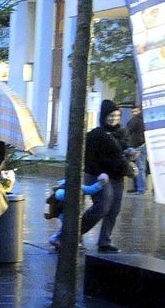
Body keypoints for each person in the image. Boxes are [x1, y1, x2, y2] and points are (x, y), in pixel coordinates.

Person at [80, 99, 133, 253]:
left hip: (117, 175)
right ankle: (73, 234)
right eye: (110, 115)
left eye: (117, 115)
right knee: (102, 206)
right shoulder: (95, 134)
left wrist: (131, 153)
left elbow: (123, 151)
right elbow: (89, 157)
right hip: (98, 176)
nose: (114, 118)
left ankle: (104, 241)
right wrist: (99, 172)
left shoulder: (122, 133)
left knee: (114, 209)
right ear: (103, 116)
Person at [47, 173, 107, 250]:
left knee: (67, 227)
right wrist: (100, 183)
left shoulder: (65, 188)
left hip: (63, 212)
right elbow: (90, 189)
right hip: (66, 212)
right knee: (71, 227)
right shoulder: (75, 188)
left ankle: (60, 240)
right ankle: (58, 239)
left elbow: (90, 189)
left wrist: (100, 184)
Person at [125, 105, 146, 195]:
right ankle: (138, 187)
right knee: (140, 167)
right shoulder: (148, 118)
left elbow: (128, 129)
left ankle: (140, 188)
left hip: (138, 146)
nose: (134, 113)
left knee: (139, 168)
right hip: (145, 144)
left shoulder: (136, 119)